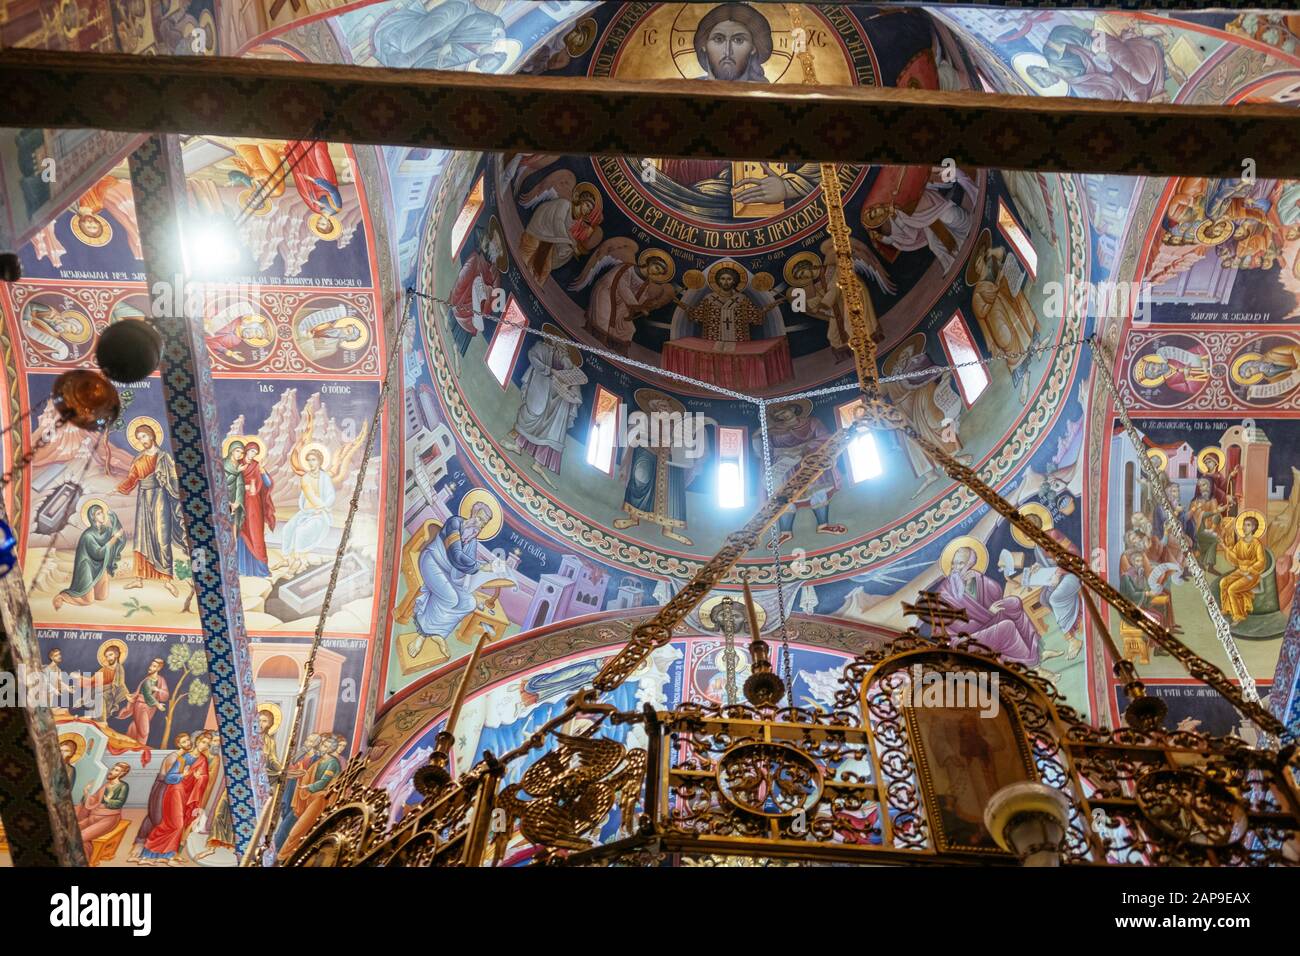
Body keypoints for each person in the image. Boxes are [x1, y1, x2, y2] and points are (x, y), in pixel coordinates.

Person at [936, 542, 1040, 666]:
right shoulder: (943, 593)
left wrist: (976, 579)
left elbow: (996, 593)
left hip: (983, 623)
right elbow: (962, 627)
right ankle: (1030, 665)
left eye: (961, 563)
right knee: (1007, 626)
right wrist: (990, 613)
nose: (955, 568)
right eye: (954, 563)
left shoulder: (972, 578)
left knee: (1014, 603)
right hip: (963, 640)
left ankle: (1033, 648)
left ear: (970, 564)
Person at [410, 502, 492, 658]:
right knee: (450, 598)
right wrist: (481, 567)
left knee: (469, 602)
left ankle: (438, 634)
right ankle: (421, 635)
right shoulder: (454, 523)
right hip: (432, 562)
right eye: (479, 519)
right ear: (473, 513)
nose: (480, 524)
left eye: (484, 523)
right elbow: (456, 557)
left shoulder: (472, 540)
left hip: (448, 575)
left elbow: (465, 569)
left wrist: (484, 572)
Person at [115, 419, 184, 595]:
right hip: (144, 499)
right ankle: (139, 578)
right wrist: (117, 488)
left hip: (161, 498)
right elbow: (132, 479)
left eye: (144, 435)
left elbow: (175, 479)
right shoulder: (138, 459)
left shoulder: (164, 457)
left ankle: (167, 579)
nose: (142, 440)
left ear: (152, 435)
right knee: (142, 537)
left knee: (162, 537)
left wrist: (177, 491)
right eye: (139, 438)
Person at [507, 337, 587, 486]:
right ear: (554, 343)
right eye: (560, 347)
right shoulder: (542, 349)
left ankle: (538, 463)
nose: (562, 351)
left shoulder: (569, 367)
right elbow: (532, 355)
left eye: (565, 350)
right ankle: (518, 446)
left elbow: (576, 391)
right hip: (540, 391)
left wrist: (573, 395)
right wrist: (550, 371)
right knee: (530, 415)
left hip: (557, 406)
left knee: (552, 432)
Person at [131, 731, 210, 865]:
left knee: (177, 825)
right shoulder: (183, 758)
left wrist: (199, 778)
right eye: (203, 742)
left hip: (187, 794)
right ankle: (148, 851)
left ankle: (166, 855)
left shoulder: (203, 760)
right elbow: (169, 777)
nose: (204, 746)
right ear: (197, 741)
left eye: (207, 744)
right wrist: (183, 775)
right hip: (175, 792)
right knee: (175, 825)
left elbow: (204, 777)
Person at [55, 501, 127, 611]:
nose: (102, 515)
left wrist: (115, 519)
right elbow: (99, 553)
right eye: (98, 513)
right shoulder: (88, 536)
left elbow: (117, 535)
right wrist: (114, 538)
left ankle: (93, 588)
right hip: (86, 567)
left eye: (102, 513)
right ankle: (62, 597)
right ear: (92, 517)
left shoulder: (105, 531)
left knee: (102, 597)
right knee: (88, 600)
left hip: (99, 566)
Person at [76, 762, 131, 862]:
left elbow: (119, 803)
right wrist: (86, 794)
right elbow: (94, 800)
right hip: (94, 816)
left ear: (122, 773)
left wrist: (106, 800)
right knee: (72, 831)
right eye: (113, 769)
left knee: (81, 837)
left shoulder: (123, 786)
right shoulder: (105, 785)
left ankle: (84, 861)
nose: (112, 771)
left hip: (108, 818)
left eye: (116, 770)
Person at [1220, 514, 1268, 623]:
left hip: (1252, 575)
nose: (1244, 527)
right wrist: (1225, 547)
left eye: (1248, 525)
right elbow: (1235, 558)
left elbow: (1261, 562)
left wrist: (1249, 570)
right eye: (1244, 525)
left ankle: (1238, 616)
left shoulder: (1256, 544)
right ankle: (1226, 608)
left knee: (1232, 589)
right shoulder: (1240, 542)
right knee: (1223, 582)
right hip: (1241, 571)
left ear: (1253, 528)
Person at [238, 440, 276, 577]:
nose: (253, 454)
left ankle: (261, 570)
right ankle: (243, 569)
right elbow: (229, 484)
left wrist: (263, 471)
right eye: (252, 451)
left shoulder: (256, 466)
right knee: (242, 534)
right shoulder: (238, 465)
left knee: (256, 535)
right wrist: (244, 487)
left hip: (254, 506)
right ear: (246, 450)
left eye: (255, 452)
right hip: (241, 505)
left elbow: (267, 484)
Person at [117, 657, 168, 746]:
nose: (150, 667)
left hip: (150, 709)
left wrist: (158, 690)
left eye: (154, 666)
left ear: (158, 668)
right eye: (151, 665)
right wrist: (158, 705)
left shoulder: (161, 680)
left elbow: (166, 695)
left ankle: (130, 745)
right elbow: (148, 696)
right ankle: (140, 749)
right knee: (144, 731)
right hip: (141, 706)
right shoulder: (147, 681)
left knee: (137, 727)